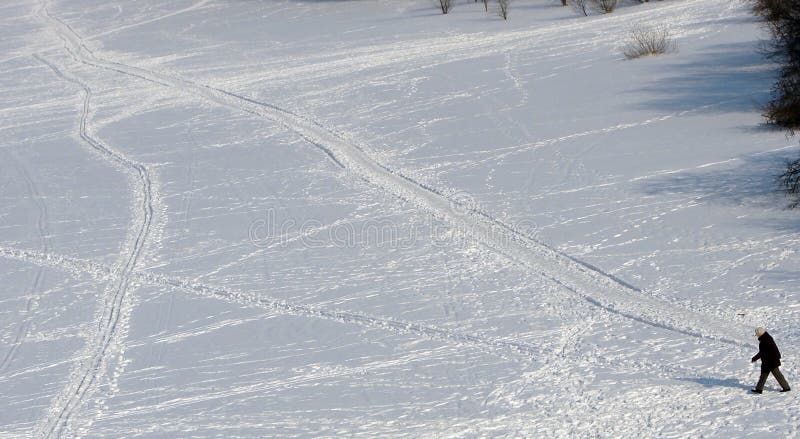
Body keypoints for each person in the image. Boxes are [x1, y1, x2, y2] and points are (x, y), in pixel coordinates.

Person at [750, 327, 791, 394]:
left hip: (771, 361)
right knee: (763, 375)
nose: (756, 335)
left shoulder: (765, 340)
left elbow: (762, 352)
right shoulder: (766, 338)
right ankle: (759, 389)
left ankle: (786, 387)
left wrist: (754, 358)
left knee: (777, 374)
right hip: (768, 361)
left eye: (757, 334)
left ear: (759, 333)